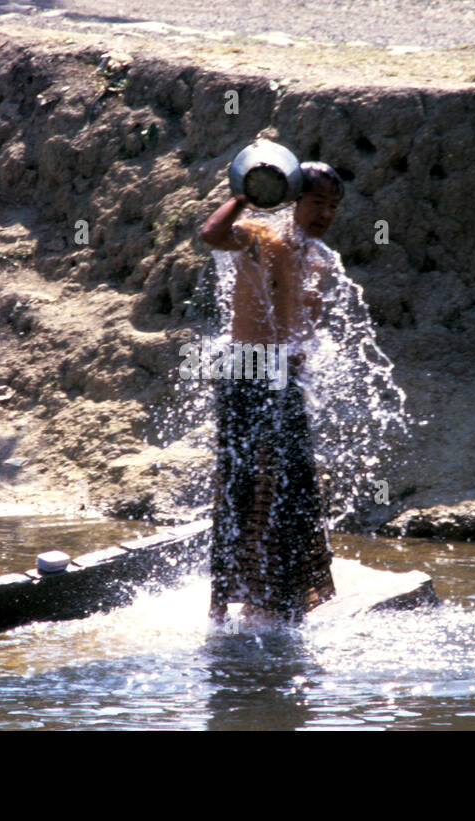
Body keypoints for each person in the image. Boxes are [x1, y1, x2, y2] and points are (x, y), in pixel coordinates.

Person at [198, 161, 345, 623]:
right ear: (294, 198)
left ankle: (284, 598)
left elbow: (299, 328)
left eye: (333, 206)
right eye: (318, 201)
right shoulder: (262, 236)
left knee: (293, 483)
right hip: (246, 367)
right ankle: (222, 604)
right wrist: (247, 192)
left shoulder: (317, 256)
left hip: (284, 376)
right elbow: (211, 235)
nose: (325, 213)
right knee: (242, 482)